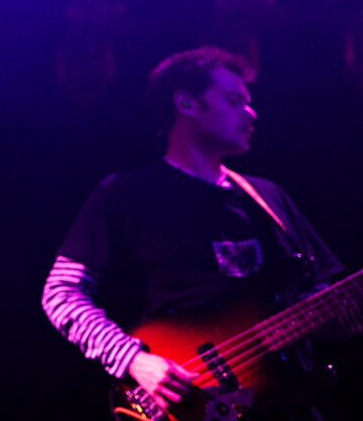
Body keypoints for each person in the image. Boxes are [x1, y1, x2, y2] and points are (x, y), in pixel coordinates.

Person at [42, 46, 356, 420]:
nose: (251, 112)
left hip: (289, 406)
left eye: (248, 102)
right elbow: (61, 292)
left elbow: (334, 313)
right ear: (187, 104)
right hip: (186, 402)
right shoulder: (124, 194)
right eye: (233, 100)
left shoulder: (268, 197)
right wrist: (133, 360)